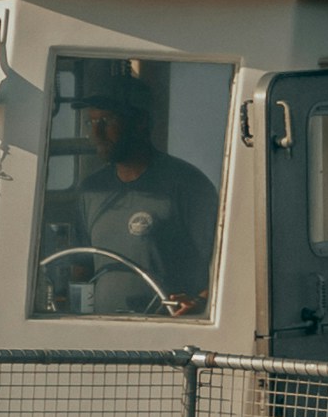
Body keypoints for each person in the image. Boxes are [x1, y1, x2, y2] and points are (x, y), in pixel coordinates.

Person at [67, 88, 218, 314]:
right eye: (91, 122)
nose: (95, 133)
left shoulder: (187, 184)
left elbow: (223, 265)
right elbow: (82, 267)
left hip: (164, 336)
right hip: (99, 337)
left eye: (106, 120)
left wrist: (200, 301)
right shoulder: (91, 190)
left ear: (140, 123)